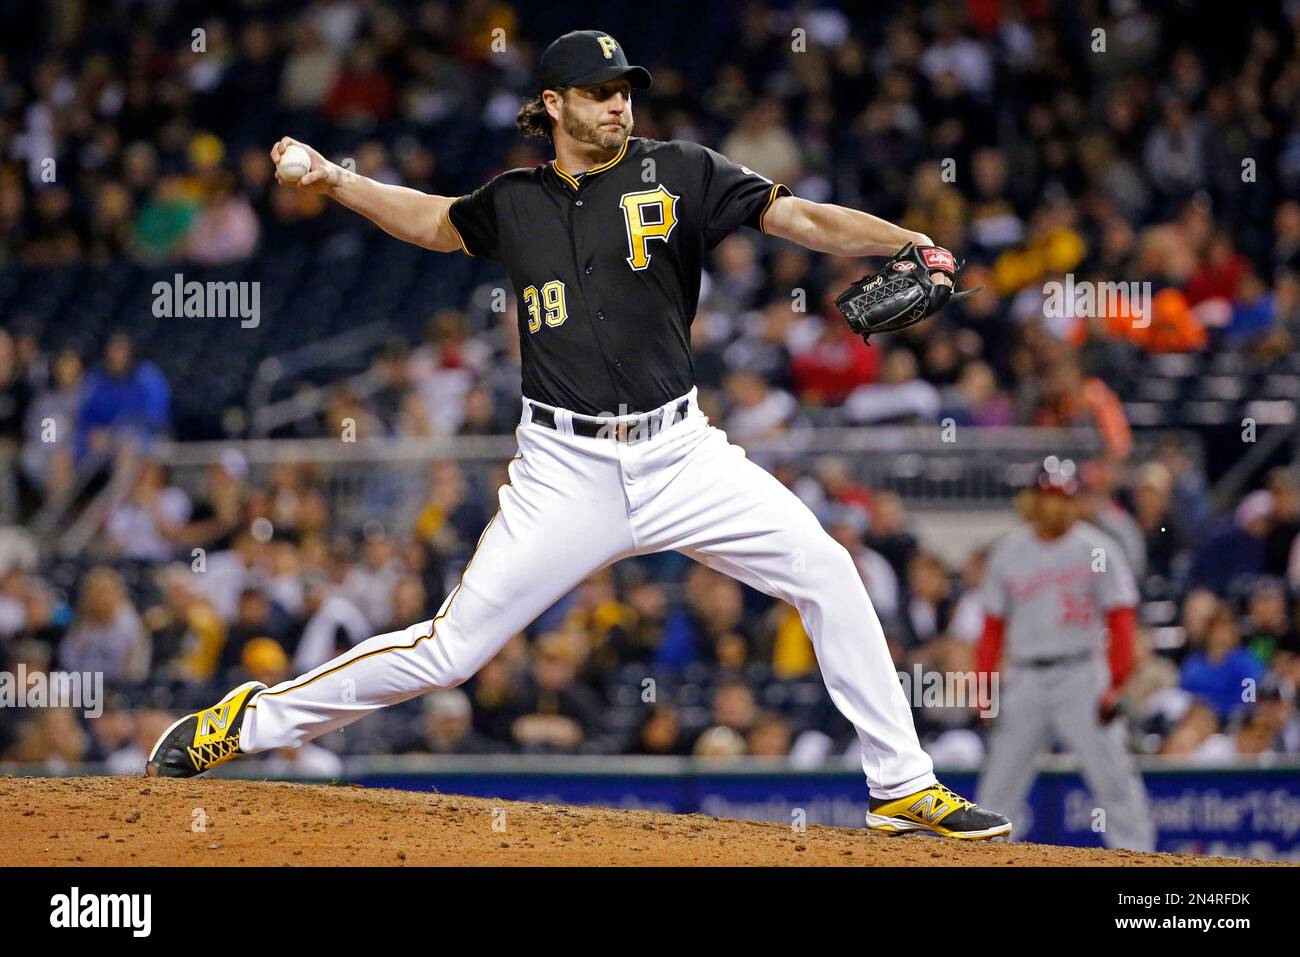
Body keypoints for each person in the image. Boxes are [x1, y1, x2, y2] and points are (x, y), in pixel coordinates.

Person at [147, 30, 1009, 841]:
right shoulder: (515, 200)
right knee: (449, 651)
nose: (619, 105)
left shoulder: (681, 171)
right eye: (599, 93)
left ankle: (900, 785)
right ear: (553, 103)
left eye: (625, 90)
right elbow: (428, 220)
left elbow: (801, 219)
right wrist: (337, 179)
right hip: (566, 469)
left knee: (825, 568)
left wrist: (911, 241)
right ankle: (243, 721)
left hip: (683, 452)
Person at [974, 458, 1156, 851]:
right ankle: (985, 858)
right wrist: (983, 687)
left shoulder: (1098, 549)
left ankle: (1139, 856)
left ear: (1075, 502)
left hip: (1082, 675)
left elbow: (1121, 619)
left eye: (1063, 498)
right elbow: (991, 630)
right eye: (1048, 497)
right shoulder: (1008, 552)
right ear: (1033, 501)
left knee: (1115, 780)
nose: (1056, 506)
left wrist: (1118, 682)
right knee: (999, 786)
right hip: (1024, 676)